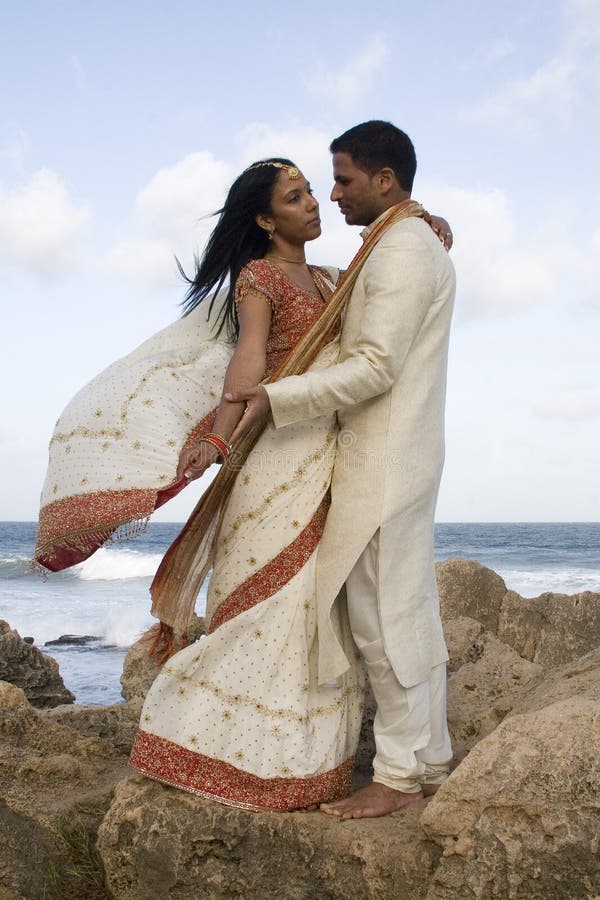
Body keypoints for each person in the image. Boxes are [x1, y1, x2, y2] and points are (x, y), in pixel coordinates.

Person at [128, 153, 454, 812]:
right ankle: (227, 748)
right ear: (264, 217)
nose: (315, 203)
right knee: (262, 603)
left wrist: (422, 219)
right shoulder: (259, 277)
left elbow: (386, 296)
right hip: (275, 457)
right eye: (297, 196)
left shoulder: (340, 275)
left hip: (330, 460)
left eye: (316, 190)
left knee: (313, 608)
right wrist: (219, 439)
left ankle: (303, 761)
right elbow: (248, 368)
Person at [226, 122, 456, 819]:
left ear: (385, 181)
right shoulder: (398, 243)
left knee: (384, 618)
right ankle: (431, 759)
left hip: (384, 457)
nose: (333, 194)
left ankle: (395, 775)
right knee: (403, 610)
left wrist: (276, 396)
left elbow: (376, 365)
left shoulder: (402, 252)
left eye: (345, 179)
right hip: (389, 455)